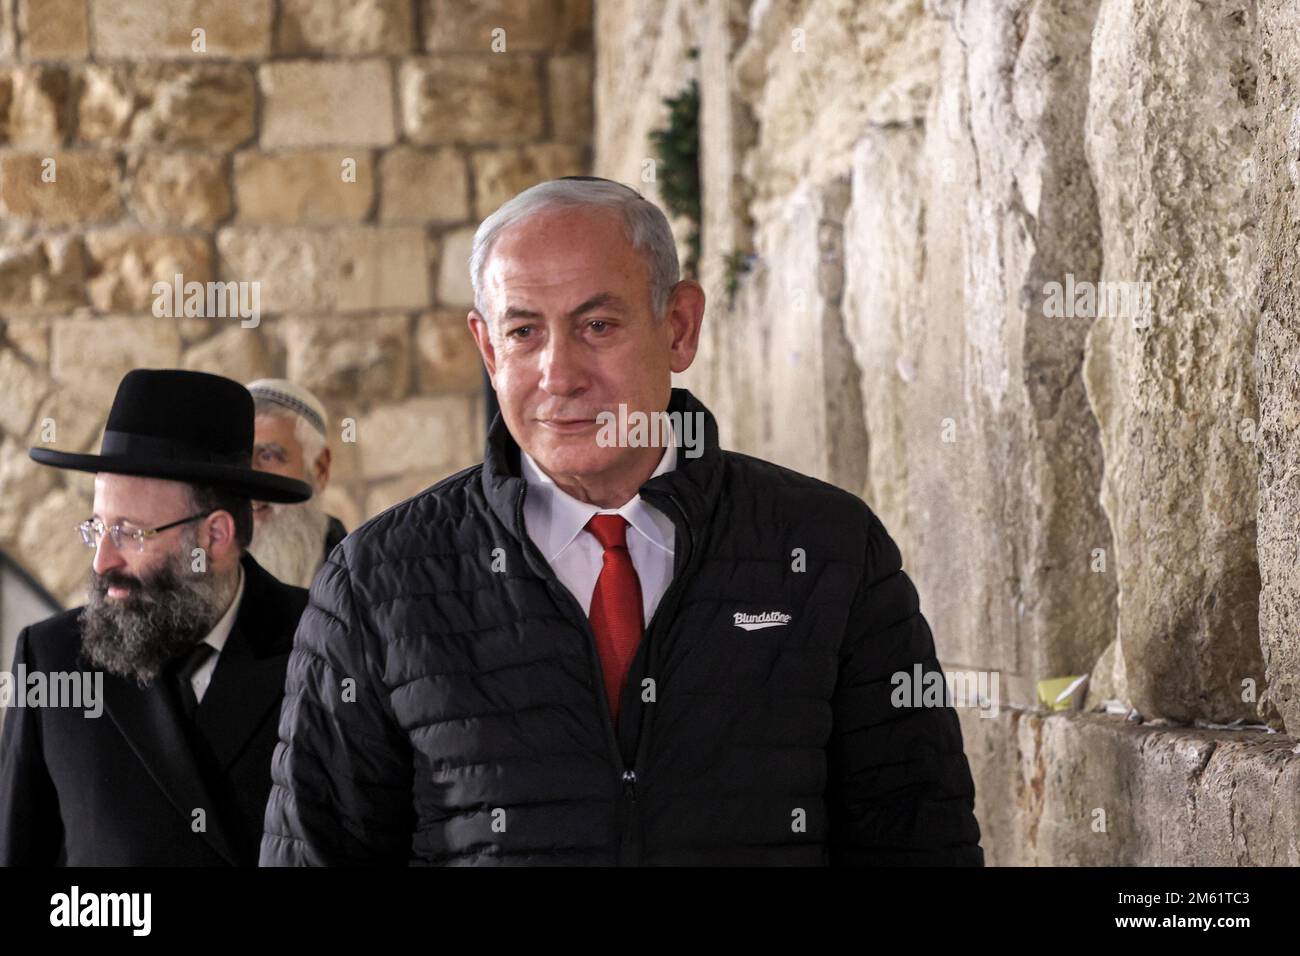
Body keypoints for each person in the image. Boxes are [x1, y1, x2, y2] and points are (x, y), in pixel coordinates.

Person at [261, 177, 984, 866]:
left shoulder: (829, 550)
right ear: (486, 348)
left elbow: (919, 840)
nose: (559, 373)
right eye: (522, 333)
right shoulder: (374, 582)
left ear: (679, 326)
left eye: (597, 324)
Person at [0, 369, 313, 865]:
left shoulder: (318, 646)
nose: (103, 560)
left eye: (128, 532)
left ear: (214, 536)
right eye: (97, 528)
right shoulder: (52, 661)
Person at [244, 379, 347, 589]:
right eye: (240, 459)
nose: (248, 477)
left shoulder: (361, 577)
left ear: (319, 469)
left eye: (268, 456)